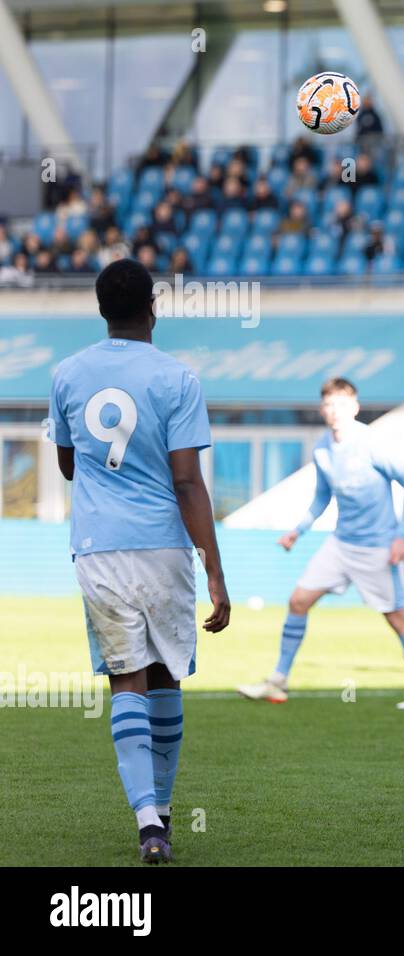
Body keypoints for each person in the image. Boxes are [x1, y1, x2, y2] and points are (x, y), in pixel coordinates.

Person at [48, 258, 230, 863]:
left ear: (101, 310)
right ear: (153, 307)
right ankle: (166, 812)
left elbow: (69, 465)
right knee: (166, 676)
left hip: (99, 546)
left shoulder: (67, 376)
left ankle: (148, 821)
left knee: (125, 678)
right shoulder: (178, 378)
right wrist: (215, 569)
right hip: (164, 544)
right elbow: (187, 482)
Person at [236, 378, 404, 710]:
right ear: (321, 409)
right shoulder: (323, 449)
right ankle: (278, 680)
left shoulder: (372, 444)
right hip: (341, 545)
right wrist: (298, 531)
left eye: (341, 404)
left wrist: (402, 536)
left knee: (397, 618)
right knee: (298, 601)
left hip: (378, 548)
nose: (334, 411)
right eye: (328, 404)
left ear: (354, 407)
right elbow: (322, 497)